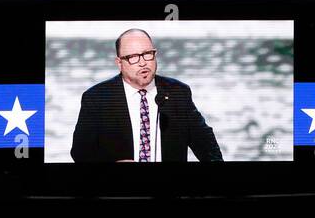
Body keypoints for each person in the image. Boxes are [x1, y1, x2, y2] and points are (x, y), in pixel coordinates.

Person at [70, 28, 223, 163]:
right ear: (119, 63)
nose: (143, 63)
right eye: (133, 57)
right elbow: (80, 153)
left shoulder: (177, 93)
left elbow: (207, 146)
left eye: (147, 54)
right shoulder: (97, 98)